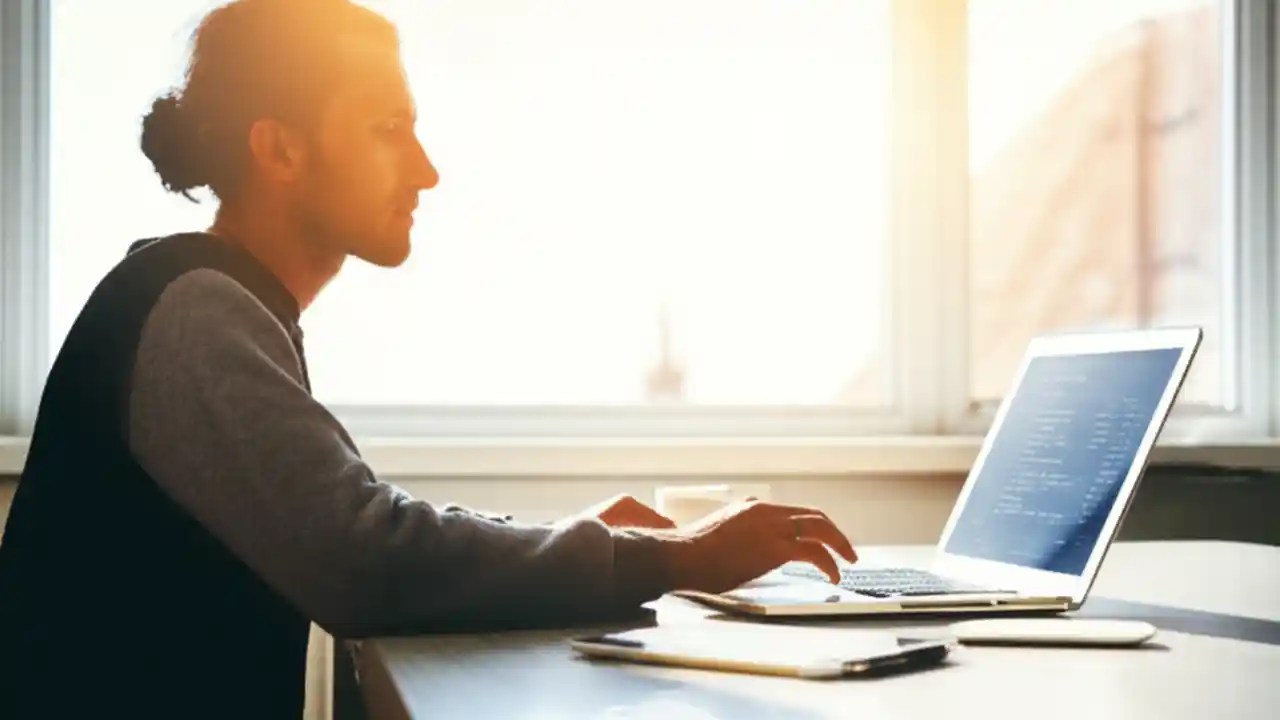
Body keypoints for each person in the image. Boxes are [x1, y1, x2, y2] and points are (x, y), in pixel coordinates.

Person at [0, 0, 855, 717]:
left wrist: (574, 546)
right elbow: (366, 561)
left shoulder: (213, 301)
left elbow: (357, 526)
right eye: (390, 129)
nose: (427, 170)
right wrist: (669, 559)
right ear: (281, 149)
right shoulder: (196, 310)